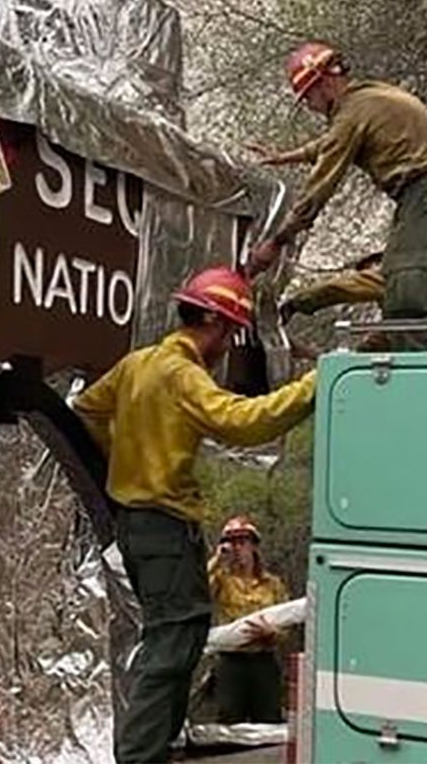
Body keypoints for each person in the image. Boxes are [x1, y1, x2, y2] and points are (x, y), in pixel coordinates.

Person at [72, 266, 316, 764]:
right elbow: (243, 422)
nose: (226, 346)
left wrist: (122, 460)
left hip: (138, 525)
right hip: (163, 525)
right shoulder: (181, 374)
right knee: (171, 642)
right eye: (228, 331)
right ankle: (141, 756)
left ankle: (153, 749)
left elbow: (89, 409)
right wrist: (317, 383)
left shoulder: (136, 364)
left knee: (178, 637)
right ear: (212, 323)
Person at [246, 41, 427, 350]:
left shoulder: (352, 112)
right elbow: (330, 144)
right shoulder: (371, 98)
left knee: (404, 298)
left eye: (309, 98)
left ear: (324, 83)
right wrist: (286, 157)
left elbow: (320, 187)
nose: (311, 107)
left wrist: (276, 243)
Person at [207, 516, 289, 724]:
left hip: (264, 661)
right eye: (232, 543)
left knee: (268, 720)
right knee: (230, 721)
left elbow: (287, 624)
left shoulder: (272, 584)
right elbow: (197, 593)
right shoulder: (221, 581)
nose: (237, 548)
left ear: (253, 545)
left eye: (242, 542)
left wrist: (272, 634)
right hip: (231, 663)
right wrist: (218, 559)